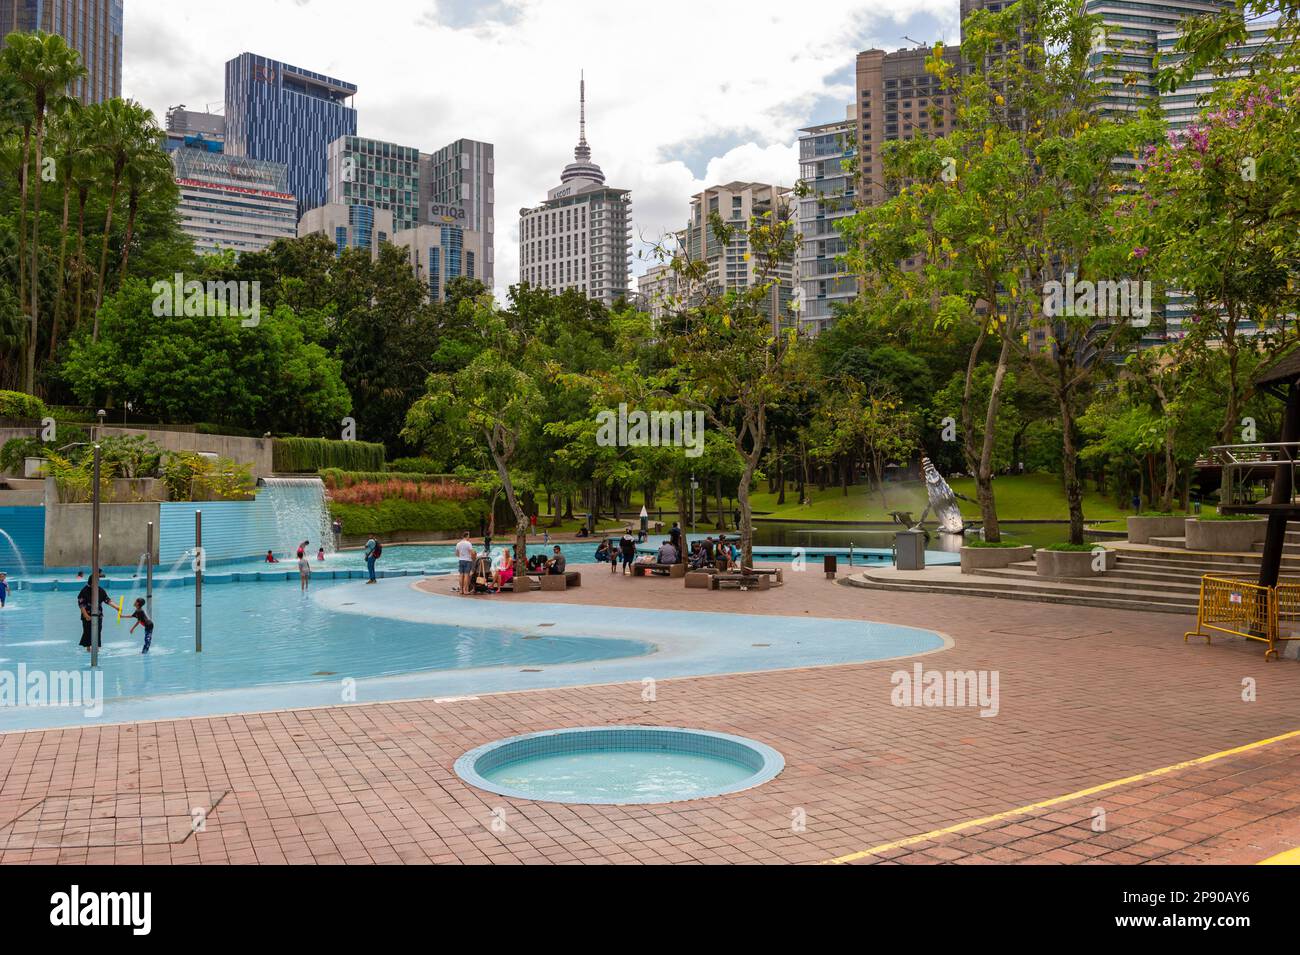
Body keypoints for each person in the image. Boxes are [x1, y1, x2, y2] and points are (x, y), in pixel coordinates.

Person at [77, 573, 113, 651]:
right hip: (87, 615)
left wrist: (116, 607)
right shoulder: (84, 590)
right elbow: (81, 604)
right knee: (87, 631)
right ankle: (88, 647)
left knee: (98, 631)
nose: (98, 582)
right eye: (97, 580)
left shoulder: (100, 590)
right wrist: (86, 615)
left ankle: (96, 648)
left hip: (98, 615)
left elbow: (107, 600)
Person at [455, 531, 476, 595]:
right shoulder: (468, 543)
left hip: (461, 560)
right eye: (469, 536)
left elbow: (457, 554)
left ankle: (461, 590)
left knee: (461, 575)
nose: (469, 537)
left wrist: (462, 556)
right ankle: (465, 590)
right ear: (467, 536)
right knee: (466, 575)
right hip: (467, 561)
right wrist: (473, 558)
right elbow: (472, 552)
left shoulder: (458, 544)